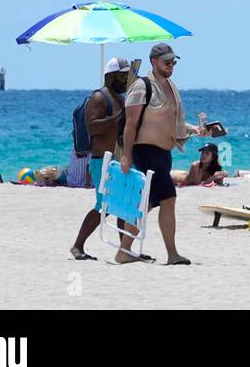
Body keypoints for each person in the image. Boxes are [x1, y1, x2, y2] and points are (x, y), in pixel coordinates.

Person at [119, 43, 205, 265]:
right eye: (167, 62)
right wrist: (126, 156)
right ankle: (172, 254)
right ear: (154, 62)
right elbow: (130, 124)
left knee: (148, 203)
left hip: (163, 153)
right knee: (169, 198)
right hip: (145, 151)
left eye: (173, 62)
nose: (171, 66)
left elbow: (171, 121)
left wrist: (194, 129)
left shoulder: (170, 86)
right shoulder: (141, 86)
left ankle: (124, 250)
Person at [69, 56, 132, 261]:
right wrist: (117, 117)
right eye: (123, 76)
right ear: (111, 75)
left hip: (114, 159)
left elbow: (121, 133)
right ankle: (78, 246)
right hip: (99, 161)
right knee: (103, 205)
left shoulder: (120, 99)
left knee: (122, 205)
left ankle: (125, 249)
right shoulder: (99, 97)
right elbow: (93, 126)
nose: (126, 80)